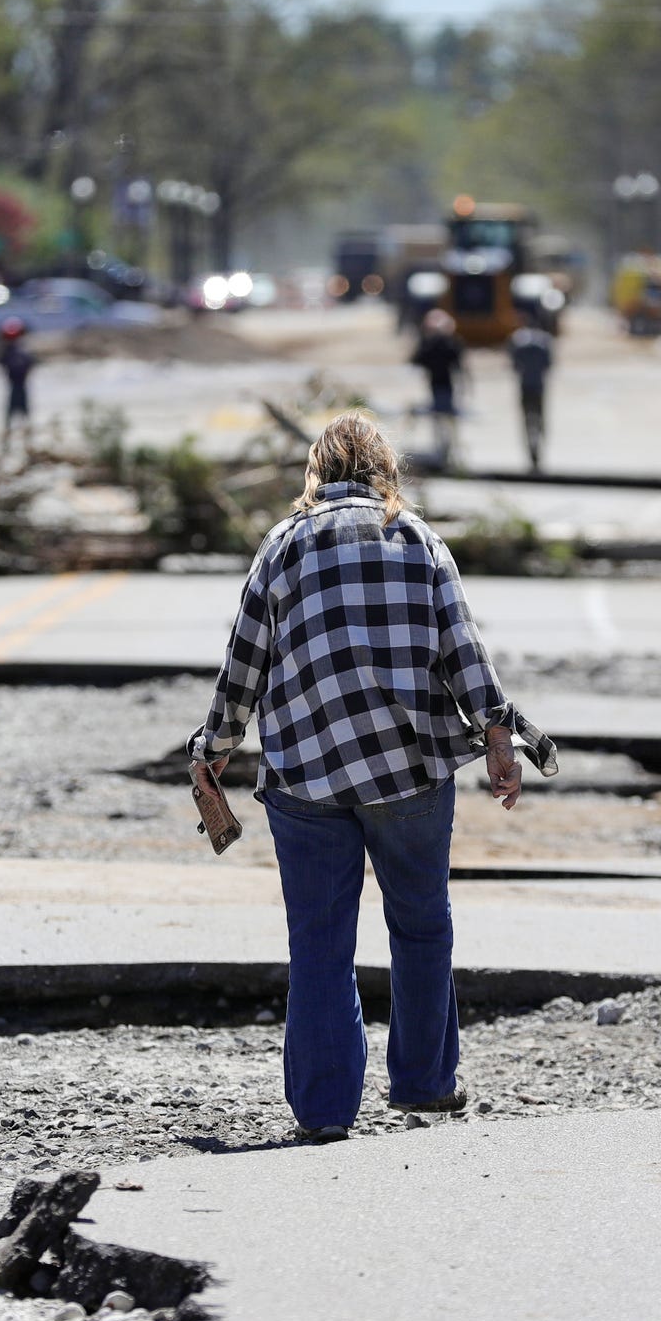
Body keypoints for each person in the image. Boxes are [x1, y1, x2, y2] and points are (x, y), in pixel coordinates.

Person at [190, 414, 556, 1142]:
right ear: (385, 467)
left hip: (306, 774)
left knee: (319, 941)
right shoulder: (417, 538)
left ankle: (325, 1112)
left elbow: (245, 662)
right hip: (409, 767)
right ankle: (424, 1084)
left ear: (317, 470)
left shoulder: (283, 543)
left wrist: (216, 745)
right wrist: (499, 739)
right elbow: (462, 649)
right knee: (421, 926)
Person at [410, 308, 464, 465]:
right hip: (444, 386)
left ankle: (444, 452)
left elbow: (417, 359)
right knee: (445, 420)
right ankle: (446, 451)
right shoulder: (448, 343)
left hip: (440, 386)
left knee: (442, 420)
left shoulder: (435, 344)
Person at [507, 314, 554, 474]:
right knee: (539, 417)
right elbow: (549, 364)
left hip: (525, 385)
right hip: (538, 385)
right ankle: (538, 447)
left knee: (527, 419)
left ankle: (531, 448)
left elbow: (514, 365)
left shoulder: (518, 340)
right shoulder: (544, 341)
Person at [0, 316, 36, 435]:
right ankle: (14, 434)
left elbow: (30, 364)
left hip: (18, 385)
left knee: (19, 412)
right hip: (16, 385)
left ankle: (23, 434)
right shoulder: (11, 351)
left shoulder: (18, 351)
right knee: (16, 412)